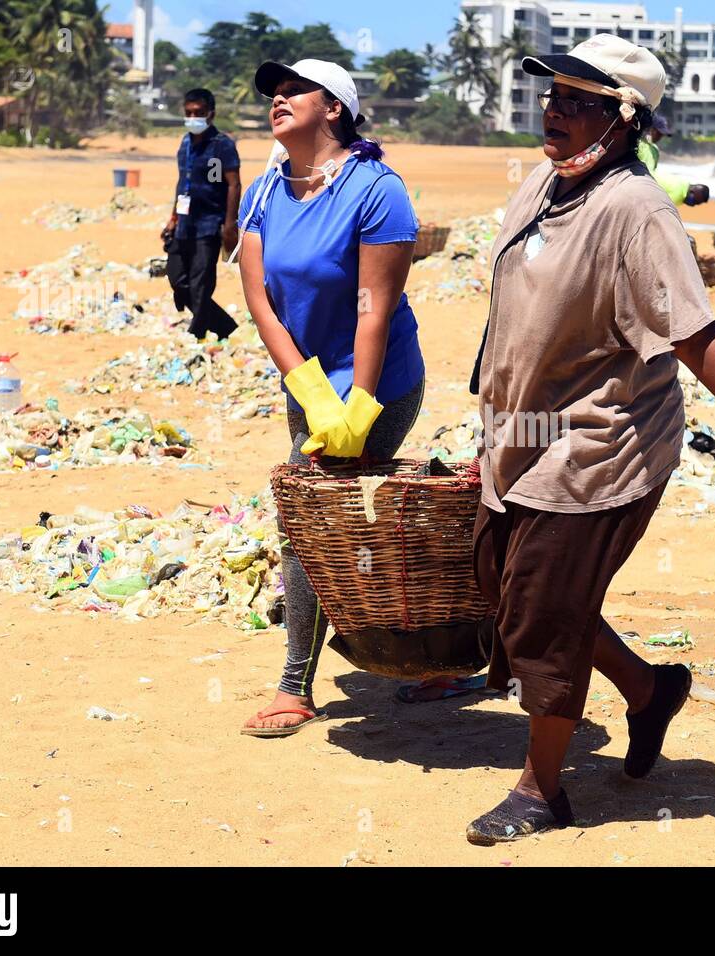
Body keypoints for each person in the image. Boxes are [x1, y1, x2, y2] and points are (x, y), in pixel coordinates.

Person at [464, 34, 715, 844]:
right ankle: (649, 689)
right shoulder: (539, 184)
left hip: (602, 445)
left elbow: (695, 335)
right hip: (521, 435)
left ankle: (541, 791)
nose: (552, 112)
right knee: (508, 588)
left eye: (576, 102)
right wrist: (488, 424)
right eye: (551, 97)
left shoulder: (637, 211)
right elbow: (510, 316)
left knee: (543, 615)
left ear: (624, 119)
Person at [234, 59, 428, 736]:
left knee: (309, 525)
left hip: (380, 383)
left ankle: (295, 687)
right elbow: (259, 300)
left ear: (335, 109)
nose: (277, 100)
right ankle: (445, 658)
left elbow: (375, 308)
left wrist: (355, 404)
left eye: (294, 91)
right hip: (309, 384)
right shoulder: (262, 192)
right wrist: (310, 390)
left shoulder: (378, 191)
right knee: (347, 523)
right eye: (273, 93)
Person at [161, 88, 241, 341]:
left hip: (209, 223)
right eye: (189, 113)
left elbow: (233, 184)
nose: (193, 117)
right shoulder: (185, 143)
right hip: (184, 222)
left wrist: (230, 225)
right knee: (176, 278)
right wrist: (172, 218)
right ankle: (225, 326)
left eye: (199, 113)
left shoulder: (222, 145)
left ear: (211, 114)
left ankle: (198, 331)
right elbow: (181, 183)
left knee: (201, 282)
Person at [635, 113, 709, 207]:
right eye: (659, 133)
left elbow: (653, 171)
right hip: (636, 184)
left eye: (662, 135)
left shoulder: (655, 150)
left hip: (648, 188)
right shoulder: (639, 144)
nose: (660, 137)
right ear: (651, 129)